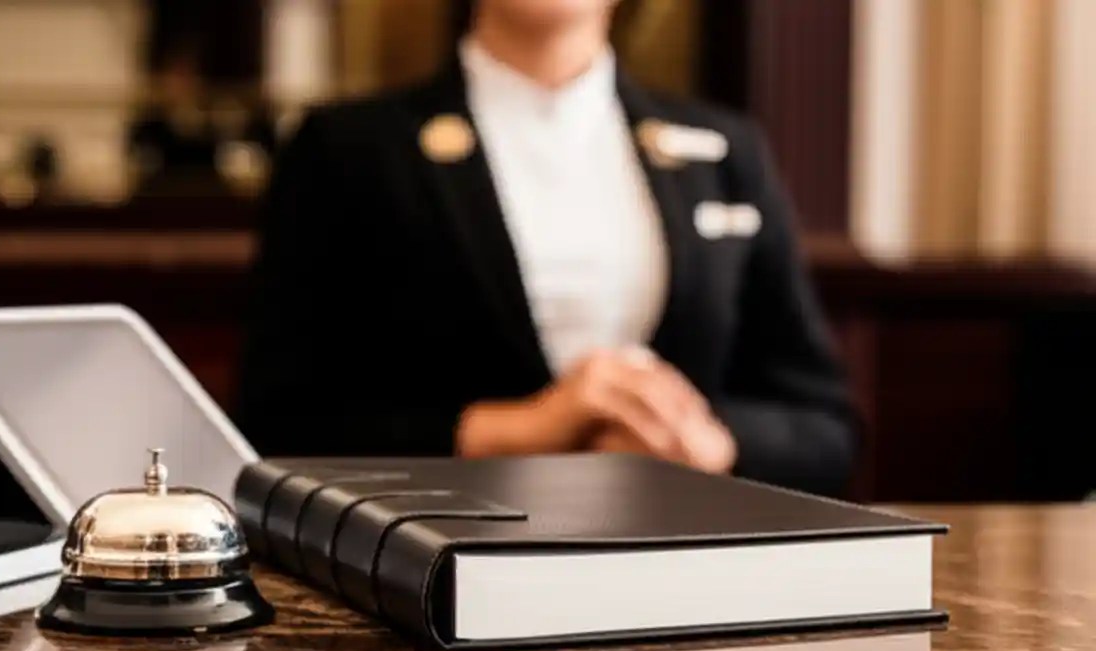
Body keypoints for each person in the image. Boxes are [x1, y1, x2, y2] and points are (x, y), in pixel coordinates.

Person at [236, 0, 856, 496]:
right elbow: (275, 425)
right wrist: (519, 429)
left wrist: (703, 441)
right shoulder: (347, 149)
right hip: (443, 569)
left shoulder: (725, 149)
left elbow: (826, 429)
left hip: (682, 569)